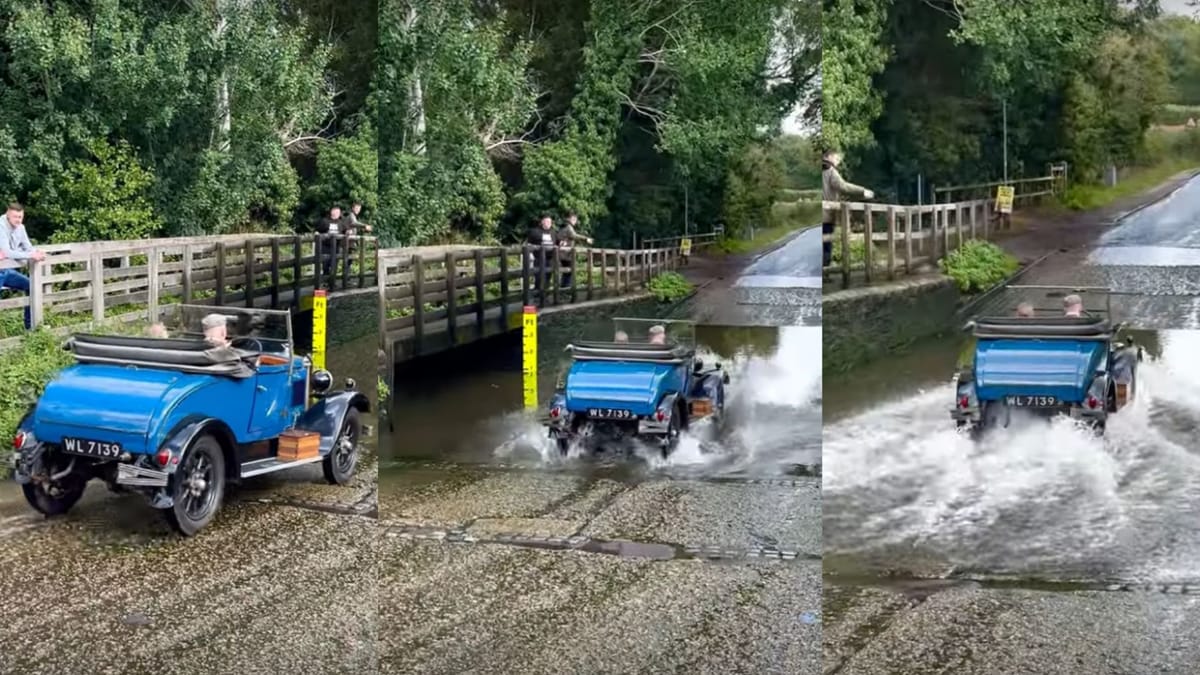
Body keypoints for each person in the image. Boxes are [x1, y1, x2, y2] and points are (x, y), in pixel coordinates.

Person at [822, 151, 874, 271]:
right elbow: (843, 186)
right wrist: (863, 191)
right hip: (826, 214)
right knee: (826, 244)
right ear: (828, 157)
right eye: (836, 158)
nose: (838, 161)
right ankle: (825, 273)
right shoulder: (830, 171)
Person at [0, 203, 46, 330]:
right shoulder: (1, 226)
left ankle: (30, 327)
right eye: (15, 217)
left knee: (30, 285)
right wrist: (30, 255)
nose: (18, 220)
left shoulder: (21, 227)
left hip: (6, 270)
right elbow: (7, 251)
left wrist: (37, 253)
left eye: (20, 217)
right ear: (8, 214)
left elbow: (28, 247)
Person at [556, 211, 594, 289]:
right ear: (568, 219)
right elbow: (574, 236)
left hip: (564, 253)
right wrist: (586, 239)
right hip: (565, 254)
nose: (575, 221)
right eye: (573, 219)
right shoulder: (568, 227)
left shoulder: (563, 226)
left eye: (575, 219)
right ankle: (565, 289)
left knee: (567, 272)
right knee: (569, 271)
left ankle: (564, 288)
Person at [526, 214, 556, 294]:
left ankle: (545, 294)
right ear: (542, 222)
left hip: (549, 258)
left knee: (548, 276)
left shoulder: (553, 232)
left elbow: (556, 241)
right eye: (547, 221)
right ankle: (537, 294)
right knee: (539, 276)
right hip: (539, 258)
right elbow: (529, 242)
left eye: (550, 222)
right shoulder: (535, 231)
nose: (548, 223)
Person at [314, 205, 344, 281]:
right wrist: (317, 233)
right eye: (336, 211)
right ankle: (325, 281)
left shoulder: (341, 223)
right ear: (332, 212)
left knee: (334, 265)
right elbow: (317, 230)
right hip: (326, 246)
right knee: (325, 264)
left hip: (336, 247)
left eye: (339, 212)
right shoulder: (325, 221)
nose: (337, 213)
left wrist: (348, 232)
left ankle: (332, 282)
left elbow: (345, 230)